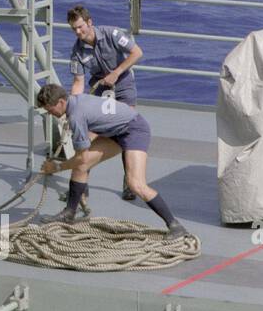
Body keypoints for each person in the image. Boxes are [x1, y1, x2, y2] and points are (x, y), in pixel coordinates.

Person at [34, 82, 187, 236]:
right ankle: (69, 214)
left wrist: (56, 167)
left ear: (61, 102)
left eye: (50, 109)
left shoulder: (76, 116)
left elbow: (81, 157)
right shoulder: (76, 100)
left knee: (136, 184)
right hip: (114, 131)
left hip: (134, 130)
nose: (49, 113)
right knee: (82, 166)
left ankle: (175, 226)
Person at [68, 4, 144, 200]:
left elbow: (137, 53)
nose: (78, 32)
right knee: (88, 135)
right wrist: (72, 107)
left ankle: (129, 182)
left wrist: (116, 73)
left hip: (123, 83)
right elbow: (78, 83)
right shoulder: (76, 52)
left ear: (89, 22)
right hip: (100, 88)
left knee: (127, 132)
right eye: (74, 29)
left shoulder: (112, 33)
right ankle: (81, 183)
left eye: (80, 26)